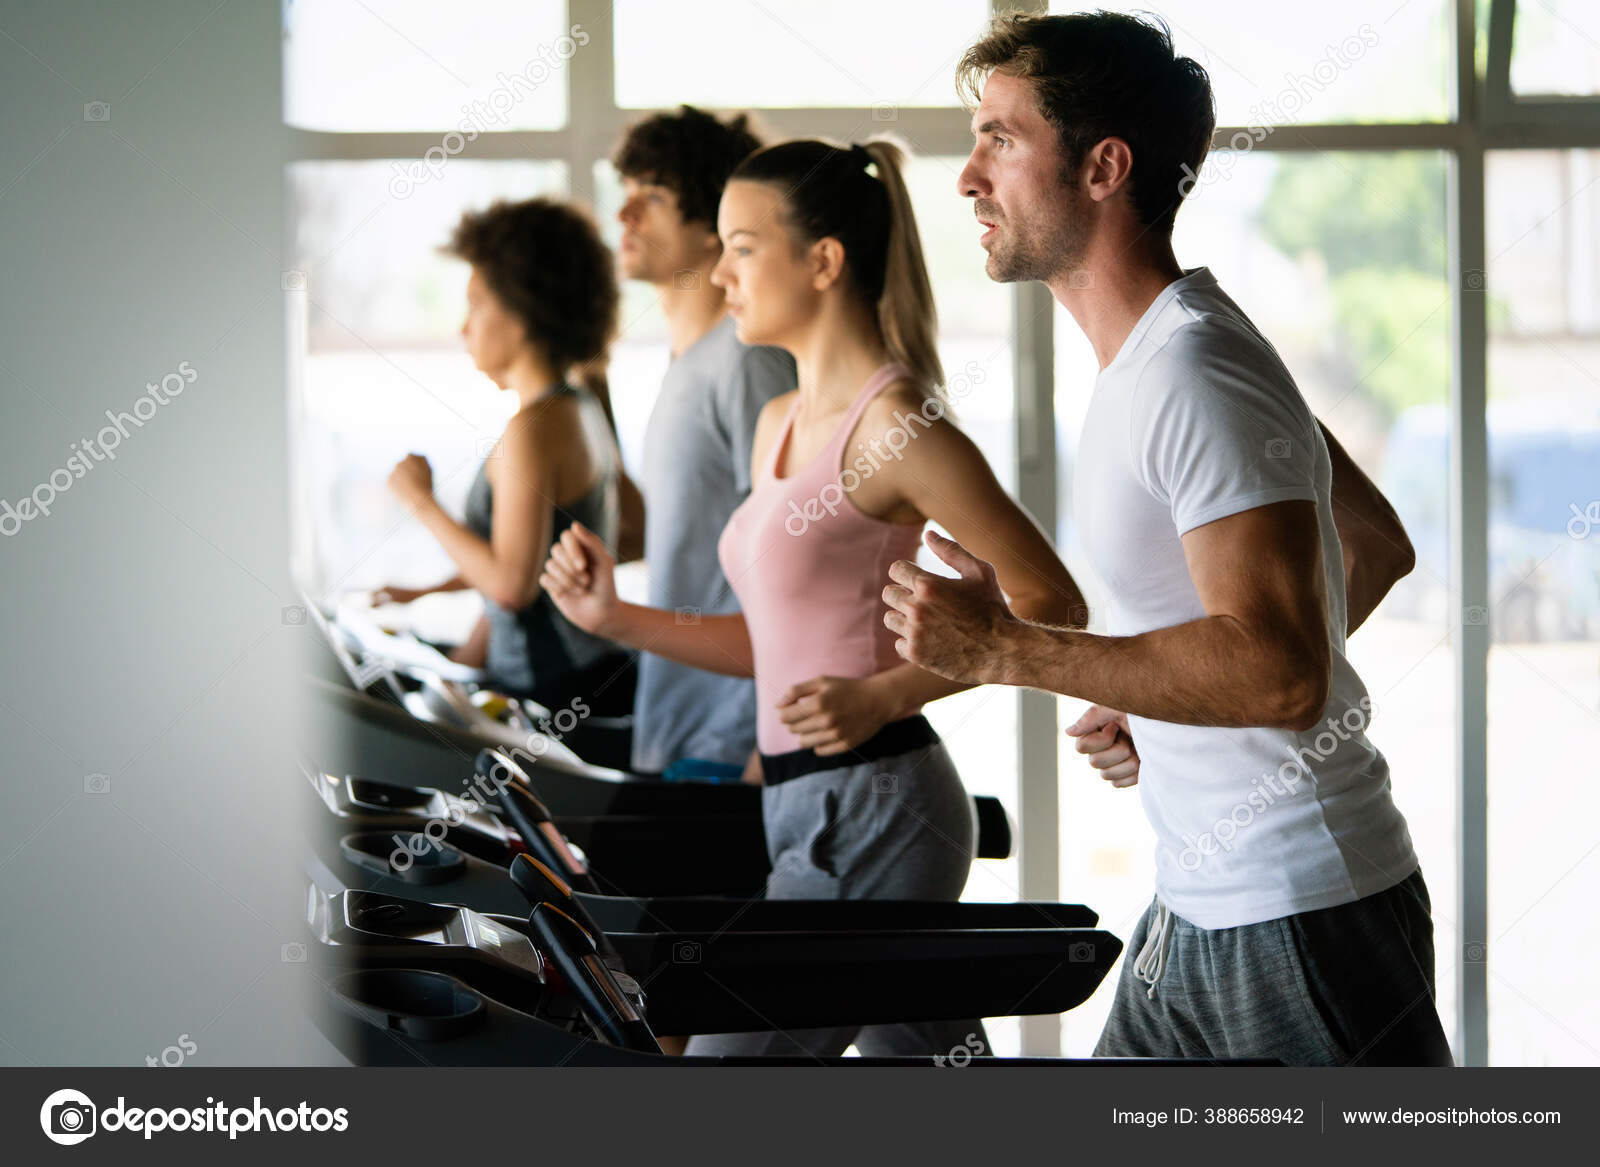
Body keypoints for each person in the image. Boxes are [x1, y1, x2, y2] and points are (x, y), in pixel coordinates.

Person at [882, 10, 1451, 1065]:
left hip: (1297, 915)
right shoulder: (1158, 360)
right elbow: (1369, 541)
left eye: (1000, 139)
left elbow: (1283, 677)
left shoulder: (1193, 372)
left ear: (1103, 167)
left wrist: (1008, 649)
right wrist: (1167, 694)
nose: (967, 178)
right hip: (1200, 905)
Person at [541, 135, 1088, 1057]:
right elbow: (777, 644)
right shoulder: (776, 423)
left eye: (742, 248)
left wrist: (883, 693)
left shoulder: (899, 427)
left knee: (726, 1074)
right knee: (925, 1069)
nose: (718, 275)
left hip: (878, 801)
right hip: (799, 800)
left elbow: (1051, 605)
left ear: (824, 261)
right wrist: (610, 616)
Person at [380, 197, 636, 720]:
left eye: (476, 303)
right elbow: (526, 566)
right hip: (578, 677)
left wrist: (420, 502)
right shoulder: (581, 402)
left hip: (557, 695)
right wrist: (435, 609)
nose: (463, 327)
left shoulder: (532, 429)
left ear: (521, 312)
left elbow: (511, 586)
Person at [610, 105, 797, 779]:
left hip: (737, 742)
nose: (624, 216)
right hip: (680, 726)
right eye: (625, 193)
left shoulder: (748, 363)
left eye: (653, 197)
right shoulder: (685, 364)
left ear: (715, 220)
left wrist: (761, 751)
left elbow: (799, 559)